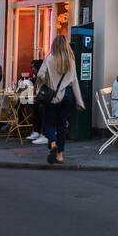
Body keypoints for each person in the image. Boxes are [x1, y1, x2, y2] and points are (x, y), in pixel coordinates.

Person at [37, 34, 85, 164]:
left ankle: (53, 143)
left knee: (49, 122)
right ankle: (60, 155)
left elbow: (40, 74)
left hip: (52, 96)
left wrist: (47, 82)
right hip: (67, 95)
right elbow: (74, 82)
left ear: (54, 45)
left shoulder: (49, 58)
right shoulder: (71, 60)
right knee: (62, 125)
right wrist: (79, 101)